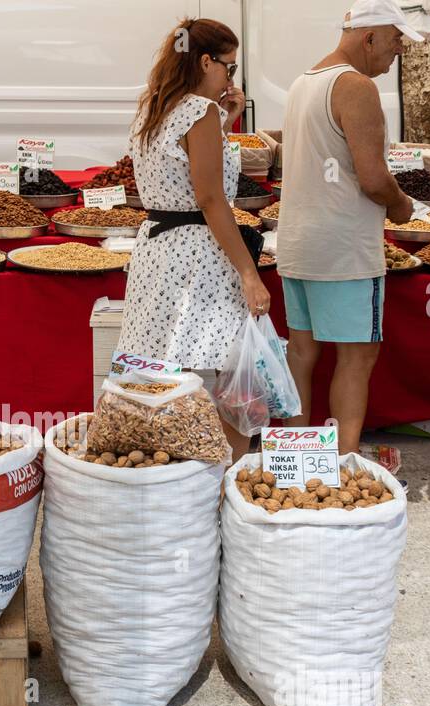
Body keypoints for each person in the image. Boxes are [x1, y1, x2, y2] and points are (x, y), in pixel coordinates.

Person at [115, 17, 271, 460]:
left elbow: (183, 173)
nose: (231, 77)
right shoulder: (200, 113)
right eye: (229, 66)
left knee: (163, 370)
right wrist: (248, 273)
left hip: (157, 251)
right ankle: (223, 482)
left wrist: (228, 119)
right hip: (198, 258)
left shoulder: (153, 107)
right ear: (206, 61)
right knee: (220, 380)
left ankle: (170, 478)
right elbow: (209, 198)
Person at [277, 0, 422, 454]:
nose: (398, 51)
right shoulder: (356, 86)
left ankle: (297, 465)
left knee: (301, 355)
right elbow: (374, 178)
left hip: (298, 243)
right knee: (357, 357)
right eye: (397, 40)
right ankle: (340, 466)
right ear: (370, 37)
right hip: (344, 250)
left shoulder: (303, 82)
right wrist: (402, 207)